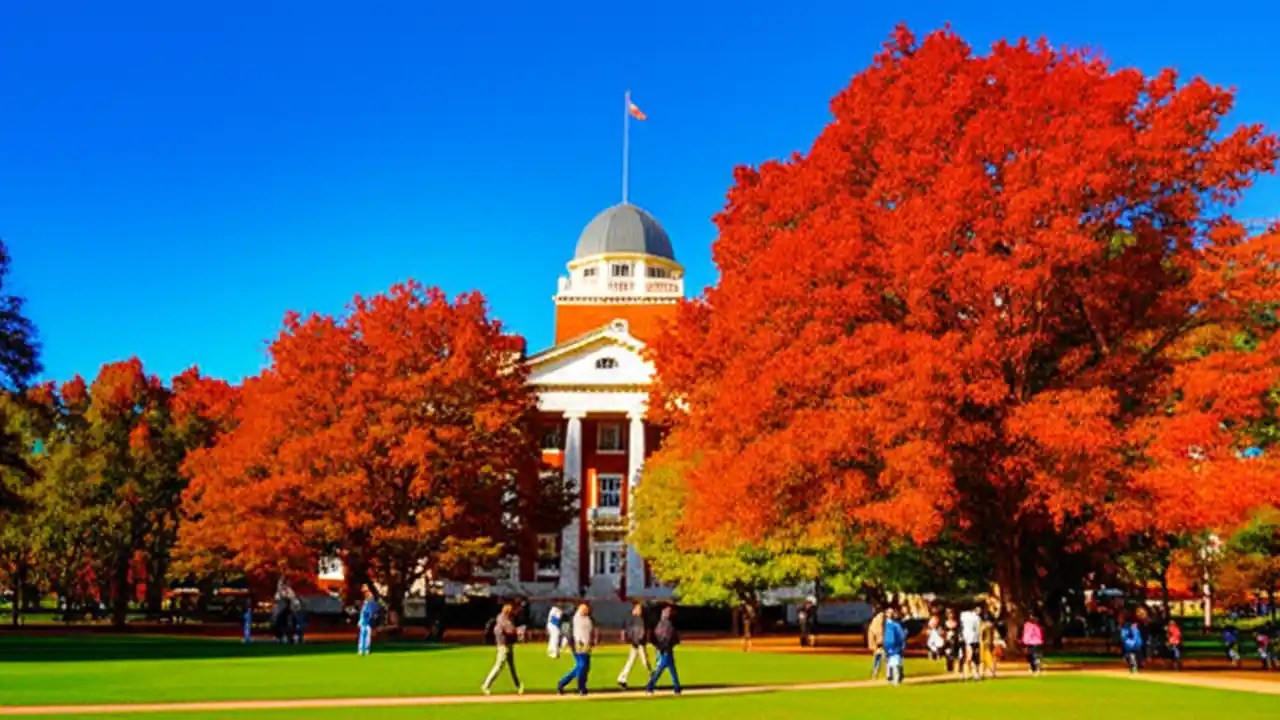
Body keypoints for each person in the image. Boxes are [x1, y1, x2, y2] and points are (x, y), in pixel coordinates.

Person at [481, 604, 524, 695]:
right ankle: (486, 685)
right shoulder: (503, 619)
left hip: (508, 645)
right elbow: (510, 630)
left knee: (512, 667)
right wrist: (518, 631)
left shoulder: (505, 618)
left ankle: (518, 685)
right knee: (499, 666)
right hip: (503, 646)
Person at [557, 603, 597, 696]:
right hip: (577, 644)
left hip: (586, 645)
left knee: (583, 667)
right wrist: (567, 640)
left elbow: (590, 631)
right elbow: (565, 628)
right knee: (582, 665)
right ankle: (580, 687)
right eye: (584, 609)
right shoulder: (573, 618)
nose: (586, 611)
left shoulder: (588, 619)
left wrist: (592, 642)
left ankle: (563, 683)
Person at [646, 605, 682, 695]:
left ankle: (677, 687)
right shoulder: (667, 625)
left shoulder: (661, 624)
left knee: (670, 669)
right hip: (666, 649)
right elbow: (670, 638)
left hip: (664, 648)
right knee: (663, 669)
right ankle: (650, 686)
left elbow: (658, 636)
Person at [617, 602, 653, 690]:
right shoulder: (633, 618)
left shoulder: (642, 618)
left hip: (639, 643)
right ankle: (652, 677)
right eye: (638, 609)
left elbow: (644, 631)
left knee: (641, 661)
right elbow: (627, 629)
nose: (640, 611)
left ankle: (622, 678)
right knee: (637, 661)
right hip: (636, 643)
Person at [883, 608, 907, 686]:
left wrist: (902, 644)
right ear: (886, 613)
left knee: (896, 663)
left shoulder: (896, 625)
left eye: (892, 612)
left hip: (896, 647)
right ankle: (890, 678)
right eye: (889, 612)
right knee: (889, 663)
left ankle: (897, 680)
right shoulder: (883, 625)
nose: (890, 614)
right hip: (886, 647)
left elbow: (901, 636)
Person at [960, 605, 982, 680]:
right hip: (969, 640)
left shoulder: (964, 615)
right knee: (970, 657)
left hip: (972, 639)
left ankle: (973, 674)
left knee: (973, 657)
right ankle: (966, 674)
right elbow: (977, 629)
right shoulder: (968, 616)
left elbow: (977, 630)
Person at [357, 585, 380, 656]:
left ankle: (366, 649)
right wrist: (360, 621)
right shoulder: (365, 604)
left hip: (368, 622)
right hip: (364, 622)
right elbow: (363, 614)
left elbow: (376, 611)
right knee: (362, 635)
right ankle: (361, 650)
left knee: (367, 636)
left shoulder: (373, 604)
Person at [867, 607, 886, 679]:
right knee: (880, 656)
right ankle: (876, 673)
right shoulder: (880, 618)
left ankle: (875, 673)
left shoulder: (877, 618)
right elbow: (878, 630)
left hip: (877, 640)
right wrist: (880, 640)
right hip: (878, 641)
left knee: (879, 656)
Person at [978, 611, 998, 679]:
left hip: (984, 643)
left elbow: (981, 635)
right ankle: (989, 672)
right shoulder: (989, 625)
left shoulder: (982, 625)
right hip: (986, 643)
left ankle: (983, 673)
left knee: (984, 659)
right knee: (987, 658)